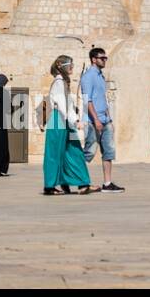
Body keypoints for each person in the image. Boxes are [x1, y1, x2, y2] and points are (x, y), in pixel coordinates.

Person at [41, 55, 98, 195]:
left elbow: (68, 106)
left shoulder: (64, 83)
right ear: (61, 65)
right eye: (70, 64)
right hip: (58, 121)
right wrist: (75, 121)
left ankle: (81, 183)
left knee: (74, 151)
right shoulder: (59, 82)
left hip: (65, 120)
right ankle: (49, 186)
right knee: (54, 153)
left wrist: (74, 120)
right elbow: (62, 106)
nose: (72, 67)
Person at [81, 46, 124, 192]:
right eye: (102, 58)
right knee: (89, 152)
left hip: (105, 120)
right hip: (94, 121)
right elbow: (87, 100)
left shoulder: (101, 76)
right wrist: (96, 120)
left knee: (109, 152)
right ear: (94, 59)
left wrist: (108, 118)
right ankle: (81, 182)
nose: (105, 60)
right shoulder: (88, 77)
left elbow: (102, 98)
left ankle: (107, 183)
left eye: (105, 58)